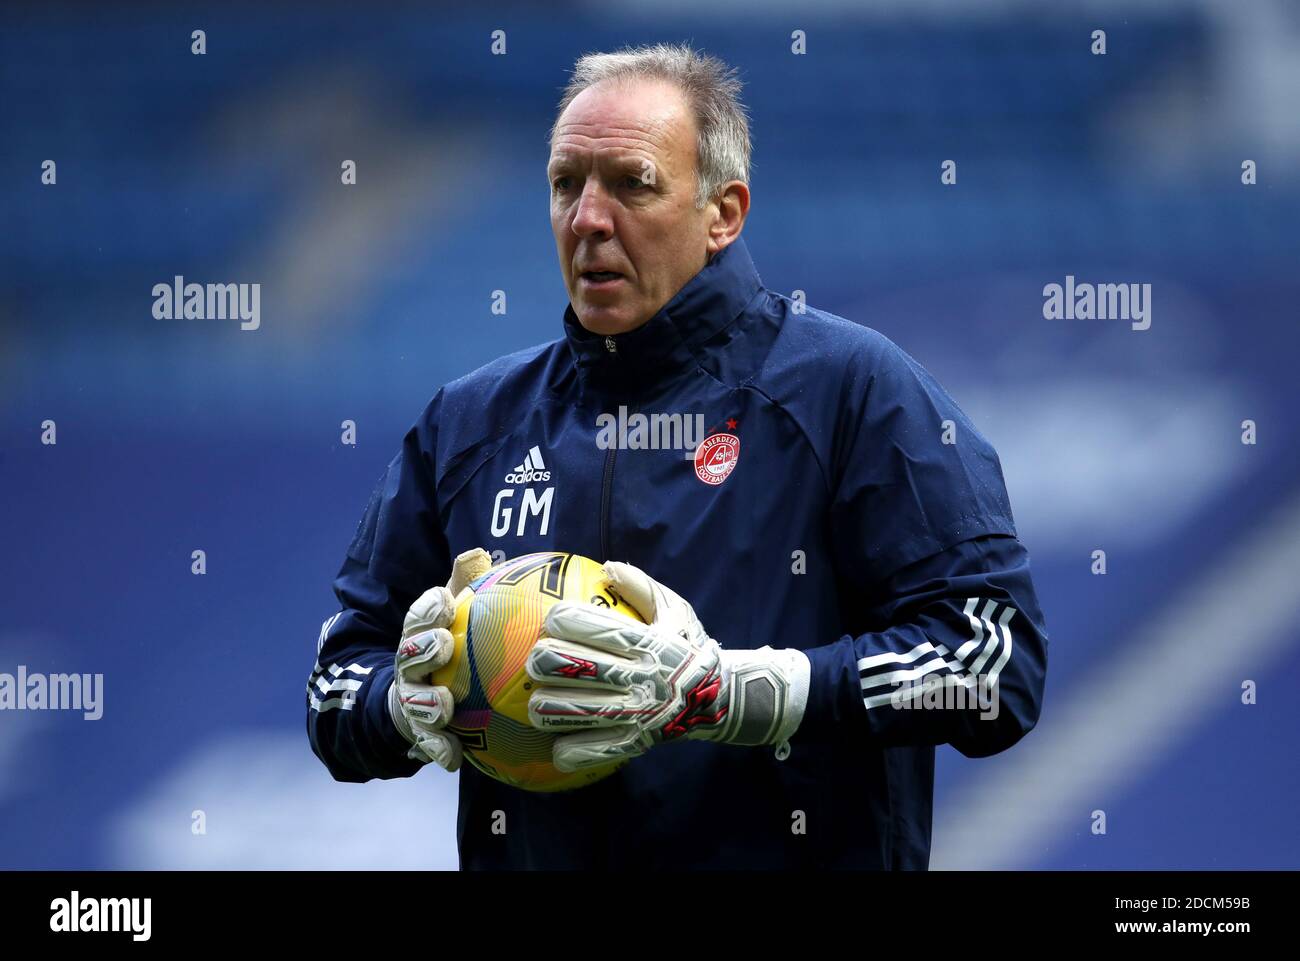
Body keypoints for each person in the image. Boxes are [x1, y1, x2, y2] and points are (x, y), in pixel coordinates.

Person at [306, 42, 1048, 869]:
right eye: (566, 184)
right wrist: (403, 704)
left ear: (723, 212)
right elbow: (334, 681)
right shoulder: (472, 420)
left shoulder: (850, 390)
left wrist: (742, 692)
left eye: (631, 183)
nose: (588, 218)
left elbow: (996, 664)